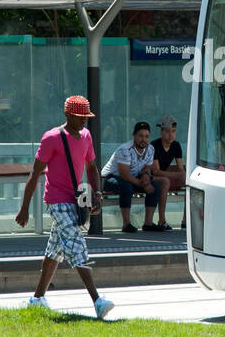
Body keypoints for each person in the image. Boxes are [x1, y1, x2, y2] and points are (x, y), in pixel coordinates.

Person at [16, 96, 113, 320]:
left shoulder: (86, 136)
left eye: (87, 118)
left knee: (55, 251)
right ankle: (97, 301)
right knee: (77, 244)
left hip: (75, 200)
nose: (84, 122)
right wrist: (25, 208)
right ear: (68, 115)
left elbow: (92, 168)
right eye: (81, 118)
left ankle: (37, 299)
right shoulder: (51, 138)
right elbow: (35, 173)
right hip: (56, 201)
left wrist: (96, 194)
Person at [102, 121, 171, 232]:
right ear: (134, 135)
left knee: (155, 187)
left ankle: (148, 224)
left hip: (132, 177)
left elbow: (147, 168)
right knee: (127, 187)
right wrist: (142, 184)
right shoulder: (125, 150)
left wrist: (146, 178)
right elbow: (124, 174)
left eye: (146, 136)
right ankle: (126, 224)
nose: (143, 139)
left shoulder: (150, 149)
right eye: (140, 136)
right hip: (110, 178)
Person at [150, 115, 186, 230]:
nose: (171, 135)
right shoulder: (154, 145)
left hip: (164, 174)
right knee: (165, 182)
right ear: (161, 132)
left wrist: (182, 175)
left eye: (173, 131)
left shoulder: (176, 145)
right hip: (150, 175)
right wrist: (177, 175)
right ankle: (162, 220)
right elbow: (155, 171)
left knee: (188, 180)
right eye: (167, 131)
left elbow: (180, 168)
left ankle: (185, 221)